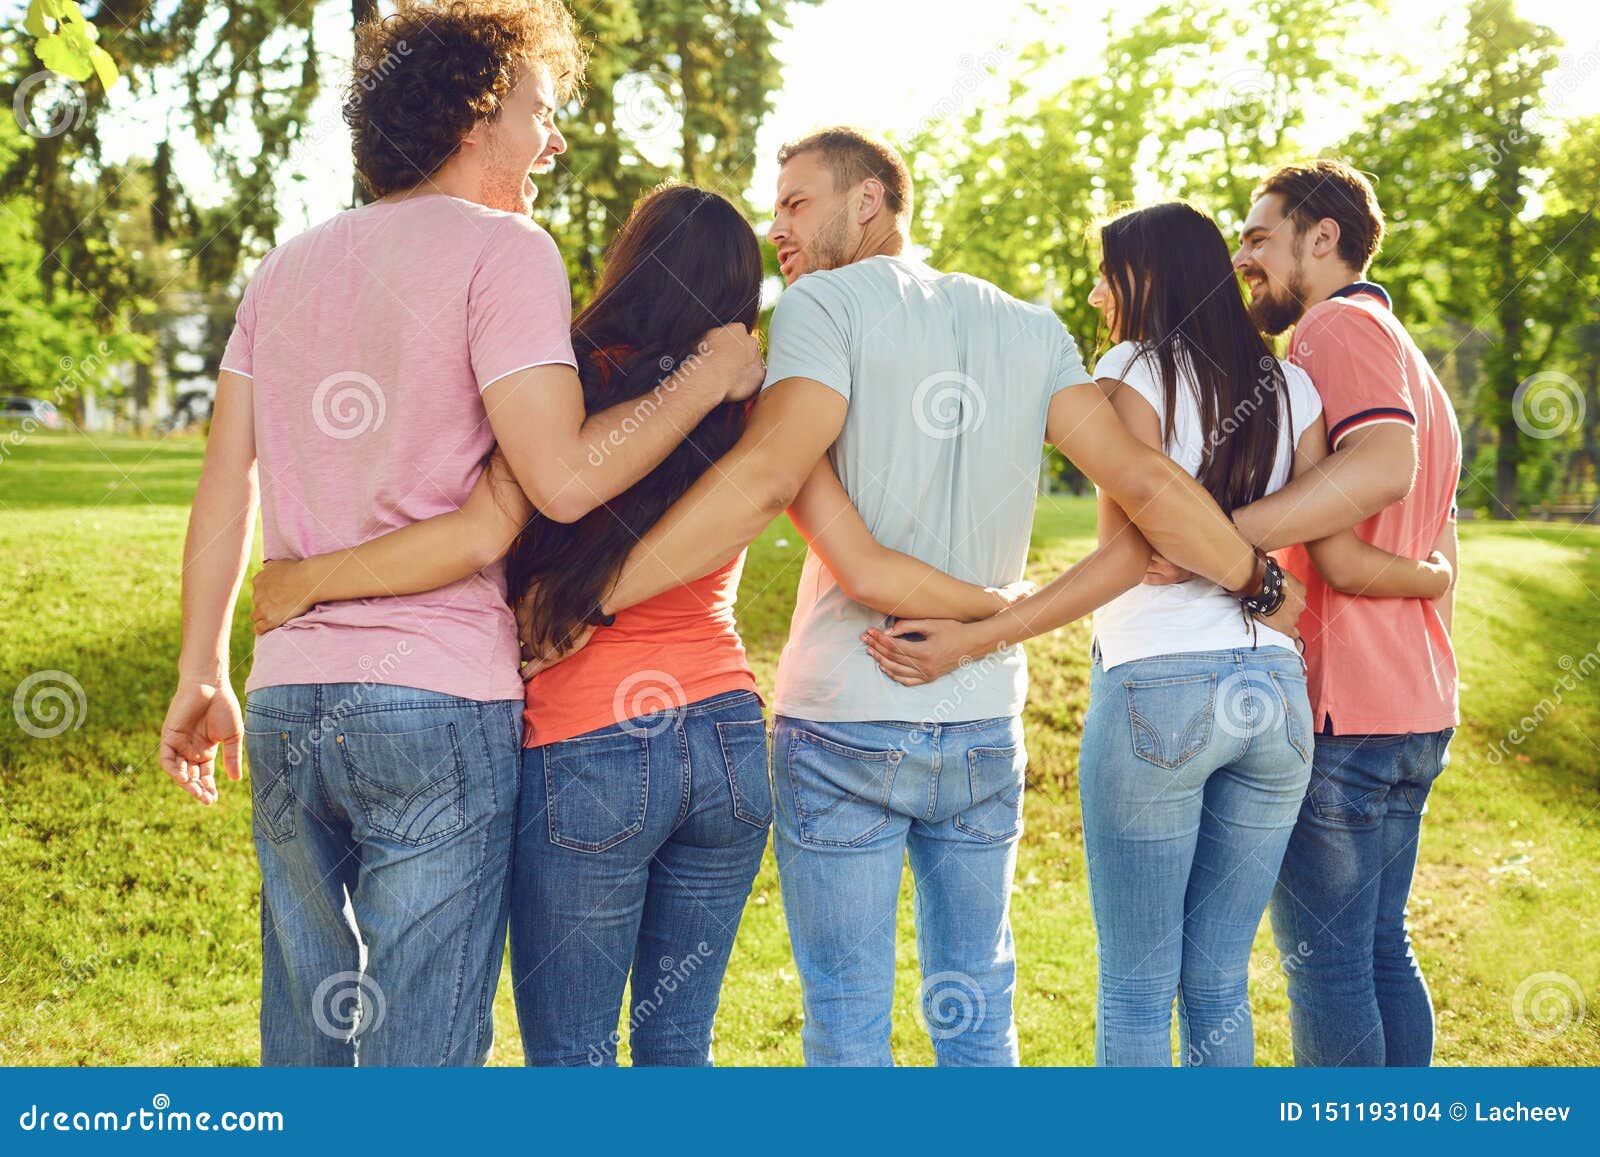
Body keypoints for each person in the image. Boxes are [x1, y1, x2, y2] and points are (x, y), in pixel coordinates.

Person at [248, 182, 1029, 1063]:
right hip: (725, 743)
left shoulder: (560, 387)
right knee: (676, 1045)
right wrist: (1002, 602)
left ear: (630, 263)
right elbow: (841, 539)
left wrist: (313, 579)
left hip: (586, 745)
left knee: (574, 1051)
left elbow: (486, 528)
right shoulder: (756, 408)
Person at [581, 129, 1306, 1067]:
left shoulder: (820, 309)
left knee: (847, 1020)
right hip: (978, 722)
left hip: (847, 712)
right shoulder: (1032, 327)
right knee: (977, 1011)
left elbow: (766, 479)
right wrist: (1260, 580)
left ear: (869, 202)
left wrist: (592, 598)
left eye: (797, 203)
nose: (776, 231)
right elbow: (1150, 494)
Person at [155, 1, 760, 1067]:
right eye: (538, 109)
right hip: (435, 702)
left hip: (289, 694)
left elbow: (223, 481)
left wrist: (202, 663)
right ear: (477, 115)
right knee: (422, 1058)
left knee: (306, 1033)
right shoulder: (507, 251)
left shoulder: (284, 267)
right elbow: (564, 482)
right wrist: (706, 375)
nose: (552, 138)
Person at [862, 200, 1449, 1066]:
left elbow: (1123, 562)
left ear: (1144, 275)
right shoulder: (1292, 383)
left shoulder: (1130, 370)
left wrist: (978, 634)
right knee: (1217, 982)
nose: (1098, 293)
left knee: (1138, 984)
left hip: (1159, 690)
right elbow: (1321, 531)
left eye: (1107, 273)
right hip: (1278, 696)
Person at [1229, 161, 1462, 1066]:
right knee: (1377, 949)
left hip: (1345, 713)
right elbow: (1433, 542)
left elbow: (1378, 471)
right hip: (1415, 708)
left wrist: (1225, 535)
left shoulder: (1331, 327)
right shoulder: (1406, 351)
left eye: (1258, 236)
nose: (1242, 256)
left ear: (1321, 238)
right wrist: (1429, 582)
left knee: (1328, 966)